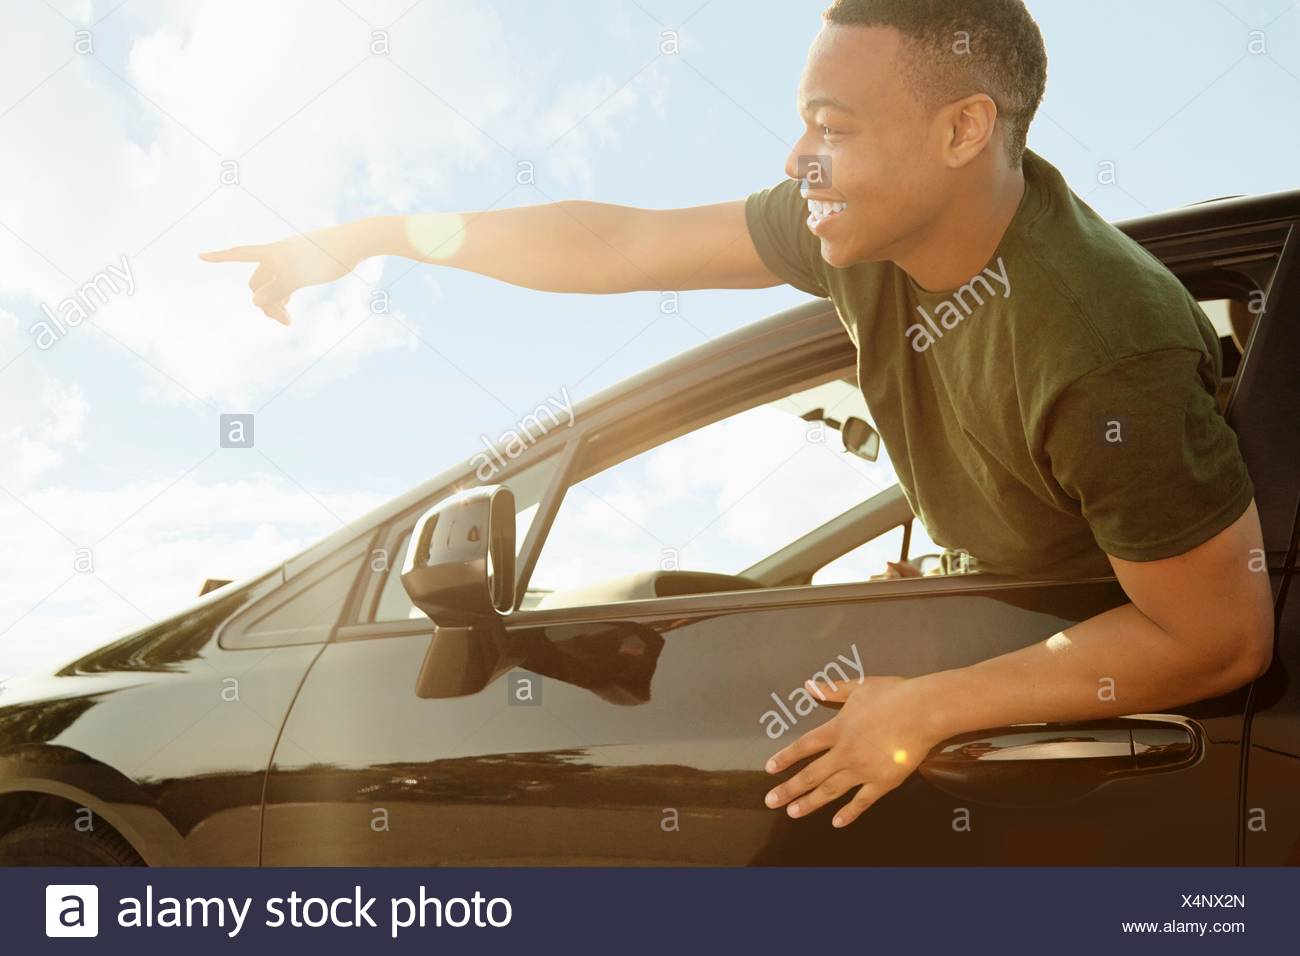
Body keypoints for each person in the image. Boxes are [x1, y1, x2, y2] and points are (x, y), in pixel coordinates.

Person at [202, 0, 1274, 829]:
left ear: (961, 130)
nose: (795, 161)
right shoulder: (860, 224)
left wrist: (932, 702)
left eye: (831, 129)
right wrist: (378, 235)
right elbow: (618, 244)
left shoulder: (1100, 343)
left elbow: (1218, 634)